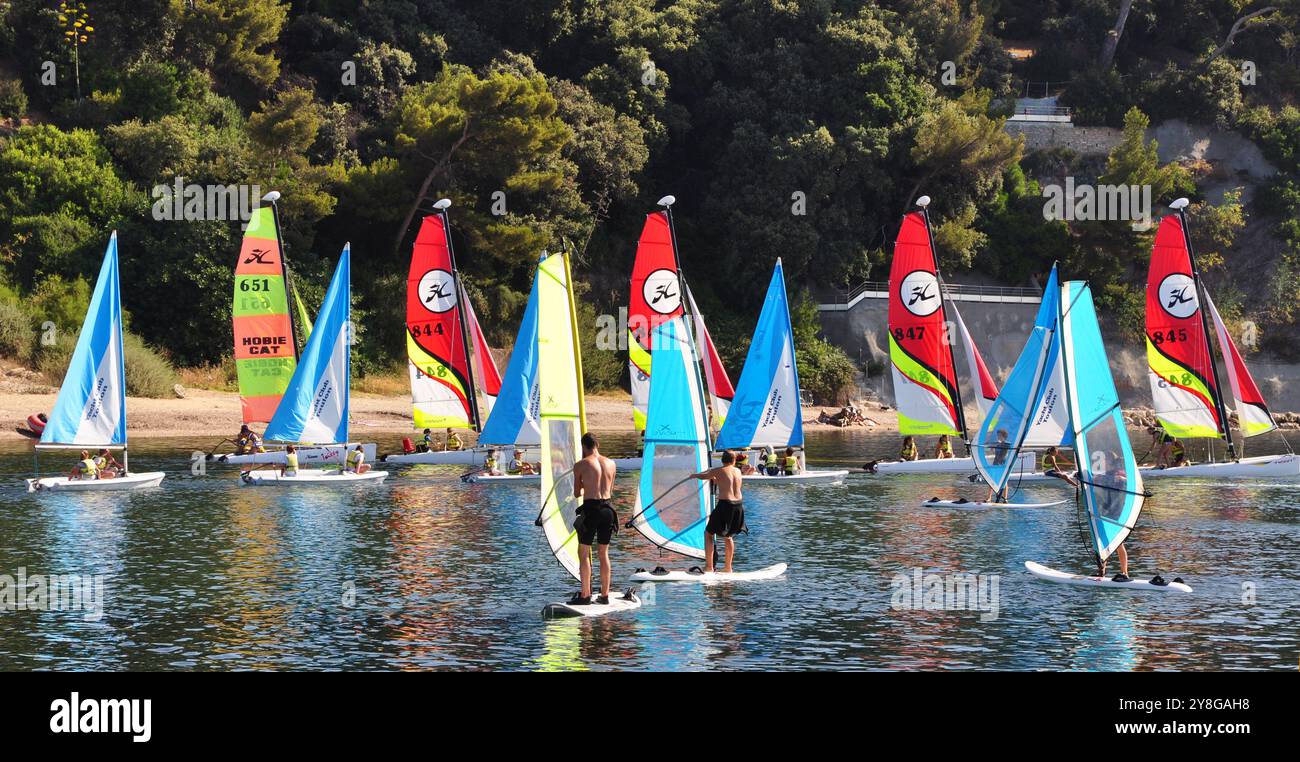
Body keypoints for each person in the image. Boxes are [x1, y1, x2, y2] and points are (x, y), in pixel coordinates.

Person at [570, 432, 617, 606]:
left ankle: (585, 595)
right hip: (608, 510)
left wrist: (584, 483)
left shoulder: (580, 464)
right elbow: (610, 490)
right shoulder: (611, 463)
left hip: (591, 510)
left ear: (584, 447)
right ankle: (605, 595)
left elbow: (576, 493)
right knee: (603, 553)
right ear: (597, 445)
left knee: (583, 552)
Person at [691, 450, 747, 573]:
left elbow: (704, 476)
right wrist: (717, 480)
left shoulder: (718, 470)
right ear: (734, 460)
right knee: (728, 536)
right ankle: (728, 568)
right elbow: (729, 483)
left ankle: (709, 567)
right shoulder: (737, 471)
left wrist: (694, 475)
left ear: (722, 460)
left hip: (725, 505)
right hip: (738, 506)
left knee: (708, 534)